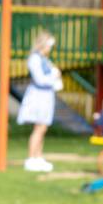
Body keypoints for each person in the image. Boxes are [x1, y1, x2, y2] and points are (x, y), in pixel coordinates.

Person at [17, 31, 62, 173]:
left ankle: (38, 157)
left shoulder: (44, 59)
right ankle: (31, 159)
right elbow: (40, 79)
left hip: (46, 96)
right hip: (38, 97)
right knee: (39, 128)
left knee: (43, 128)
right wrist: (54, 76)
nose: (50, 49)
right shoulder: (34, 59)